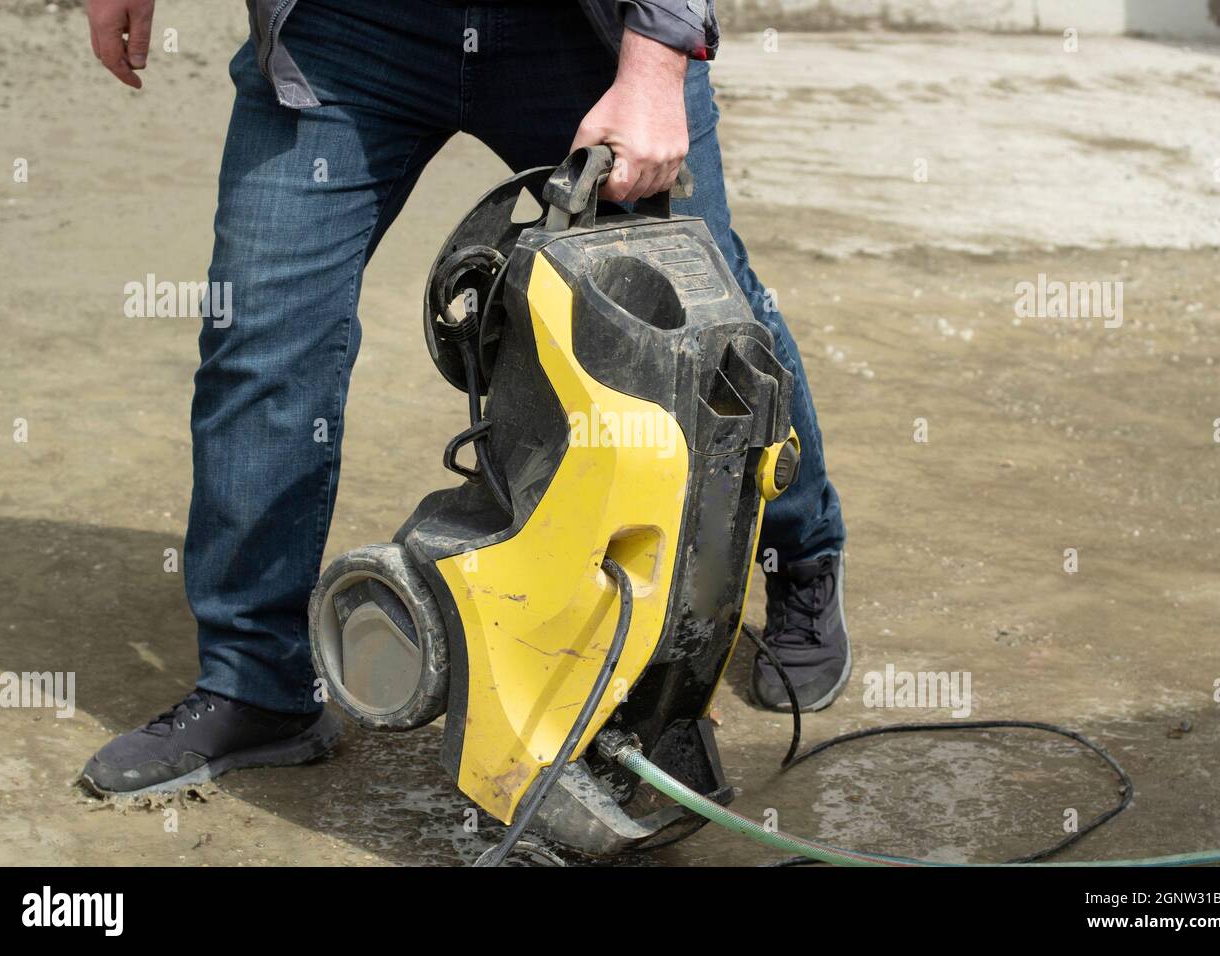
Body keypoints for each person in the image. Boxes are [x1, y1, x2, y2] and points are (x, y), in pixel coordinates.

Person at [79, 0, 850, 797]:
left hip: (581, 28)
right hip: (345, 27)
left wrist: (657, 55)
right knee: (263, 331)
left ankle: (799, 556)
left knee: (701, 321)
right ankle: (255, 684)